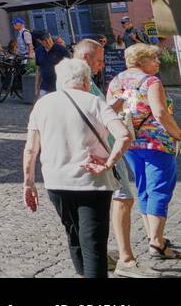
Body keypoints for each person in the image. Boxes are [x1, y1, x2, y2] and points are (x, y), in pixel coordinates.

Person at [23, 58, 130, 278]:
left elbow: (31, 150)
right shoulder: (94, 102)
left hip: (56, 181)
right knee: (93, 242)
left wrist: (28, 183)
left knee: (73, 234)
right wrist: (109, 163)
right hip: (93, 181)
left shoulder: (42, 104)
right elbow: (124, 135)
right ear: (86, 81)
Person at [71, 40, 153, 277]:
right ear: (86, 58)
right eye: (99, 60)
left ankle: (102, 255)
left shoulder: (79, 79)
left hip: (101, 151)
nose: (102, 65)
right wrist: (116, 105)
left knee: (101, 205)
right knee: (123, 198)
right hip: (103, 153)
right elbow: (91, 115)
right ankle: (126, 260)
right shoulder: (80, 82)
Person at [106, 43, 181, 262]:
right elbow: (160, 114)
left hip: (131, 144)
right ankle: (157, 244)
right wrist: (178, 134)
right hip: (156, 144)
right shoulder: (151, 82)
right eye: (154, 59)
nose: (158, 62)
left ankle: (152, 235)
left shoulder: (116, 81)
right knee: (159, 188)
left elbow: (109, 111)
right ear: (142, 61)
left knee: (144, 188)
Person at [33, 31, 68, 98]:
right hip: (44, 87)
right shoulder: (38, 51)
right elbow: (39, 70)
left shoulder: (62, 50)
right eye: (44, 40)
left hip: (60, 87)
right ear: (39, 41)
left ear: (50, 36)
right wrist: (36, 87)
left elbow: (70, 68)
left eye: (48, 39)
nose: (47, 42)